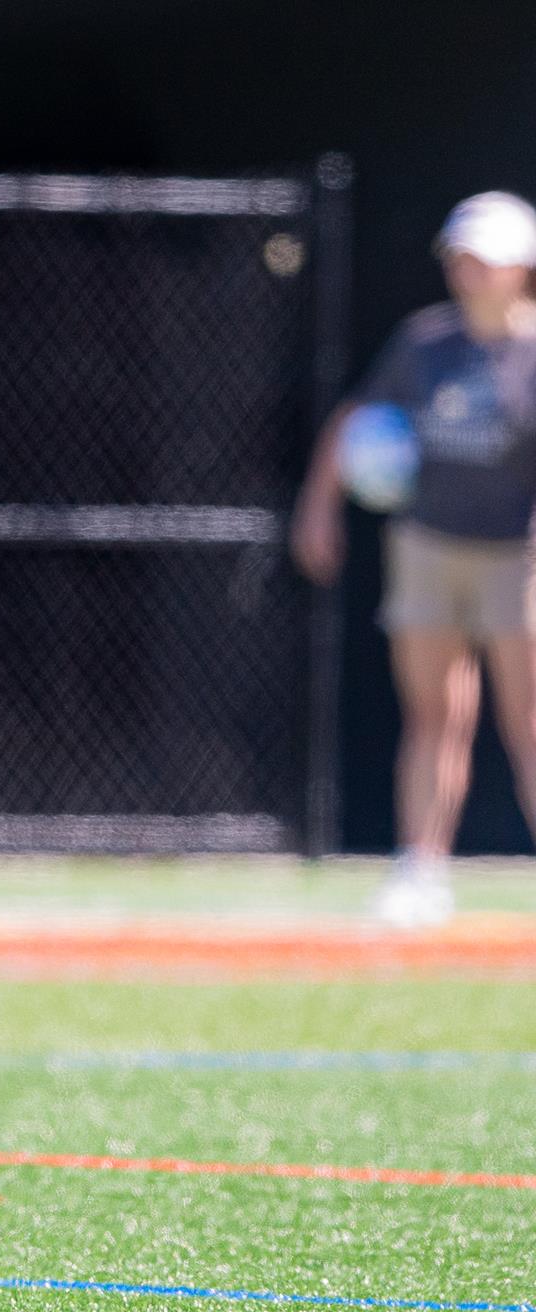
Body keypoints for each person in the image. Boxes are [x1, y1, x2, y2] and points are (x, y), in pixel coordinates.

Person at [293, 191, 536, 927]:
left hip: (519, 556)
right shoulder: (422, 342)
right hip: (427, 545)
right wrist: (318, 507)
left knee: (528, 718)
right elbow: (355, 421)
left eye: (485, 259)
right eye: (460, 256)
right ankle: (421, 869)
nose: (469, 271)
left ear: (520, 267)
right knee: (435, 713)